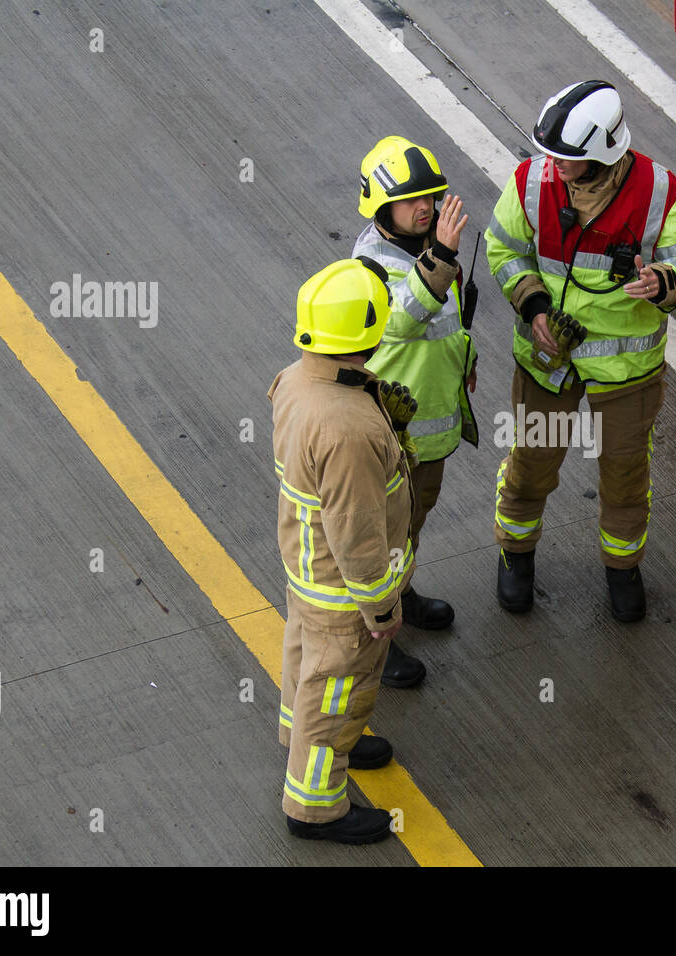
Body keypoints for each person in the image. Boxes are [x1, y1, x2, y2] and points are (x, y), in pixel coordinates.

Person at [485, 80, 676, 622]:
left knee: (627, 474)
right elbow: (504, 249)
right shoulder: (532, 183)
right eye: (549, 153)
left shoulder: (660, 191)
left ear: (603, 152)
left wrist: (666, 281)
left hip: (627, 372)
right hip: (548, 363)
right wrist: (535, 309)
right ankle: (515, 556)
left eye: (565, 157)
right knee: (532, 464)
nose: (552, 164)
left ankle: (622, 567)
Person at [270, 257, 419, 843]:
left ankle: (298, 737)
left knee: (305, 662)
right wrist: (381, 607)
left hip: (307, 570)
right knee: (336, 688)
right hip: (342, 588)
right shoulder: (349, 426)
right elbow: (357, 531)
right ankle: (315, 805)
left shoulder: (295, 380)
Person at [350, 135, 478, 688]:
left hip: (427, 434)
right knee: (380, 542)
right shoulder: (370, 266)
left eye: (430, 195)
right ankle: (375, 642)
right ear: (381, 209)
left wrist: (465, 359)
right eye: (410, 200)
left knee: (410, 530)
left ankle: (401, 598)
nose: (425, 208)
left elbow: (447, 324)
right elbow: (404, 318)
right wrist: (443, 256)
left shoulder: (425, 248)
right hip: (394, 439)